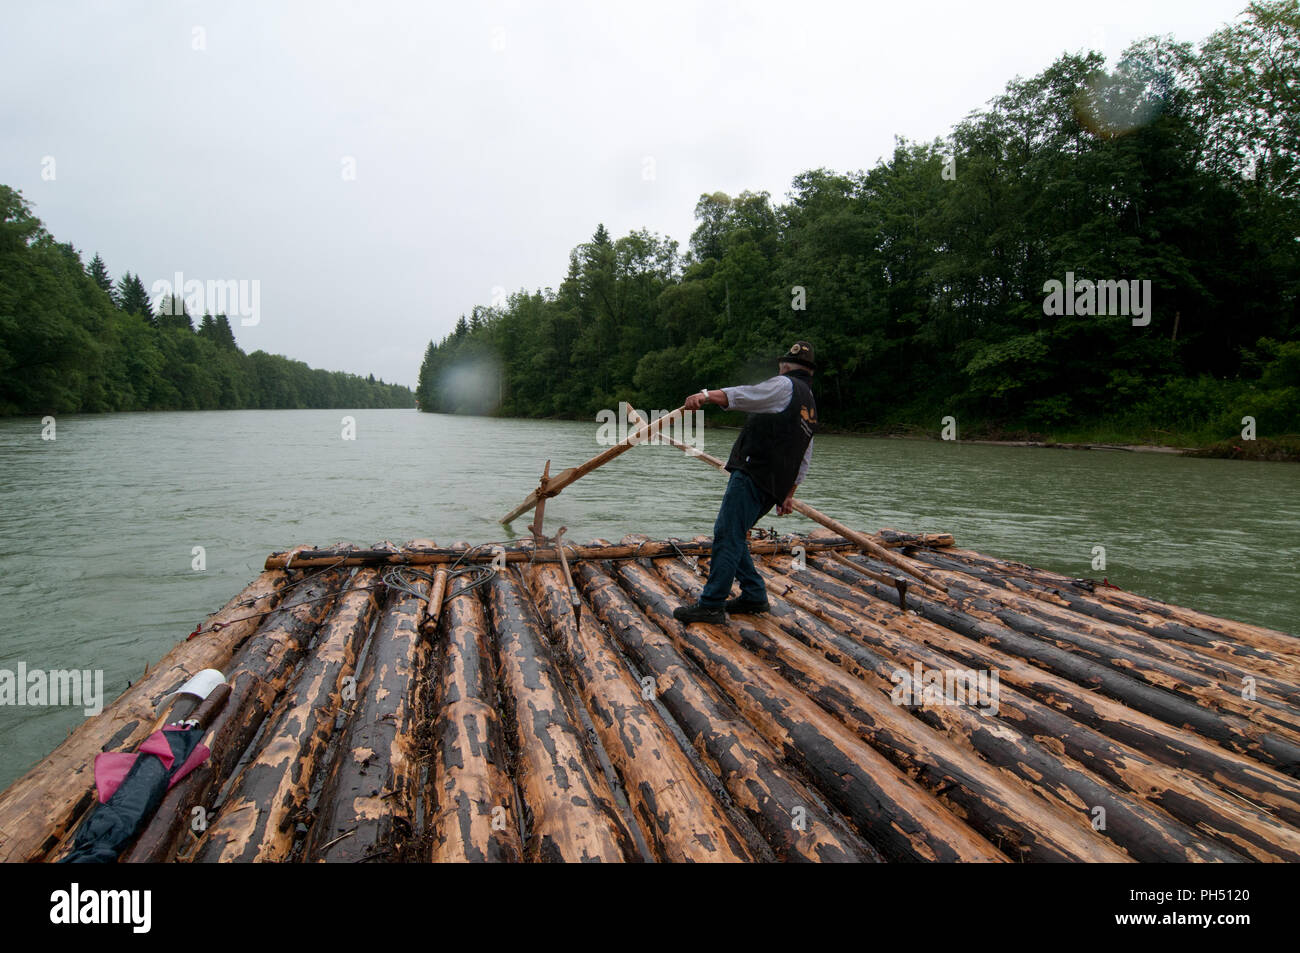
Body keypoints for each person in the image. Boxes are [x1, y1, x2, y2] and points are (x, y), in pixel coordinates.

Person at [672, 340, 817, 624]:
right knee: (735, 533)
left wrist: (705, 395)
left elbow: (748, 394)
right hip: (774, 484)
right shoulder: (810, 405)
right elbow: (805, 454)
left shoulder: (784, 385)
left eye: (781, 366)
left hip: (754, 473)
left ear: (785, 366)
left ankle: (712, 604)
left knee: (726, 533)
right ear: (809, 372)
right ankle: (753, 595)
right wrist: (789, 492)